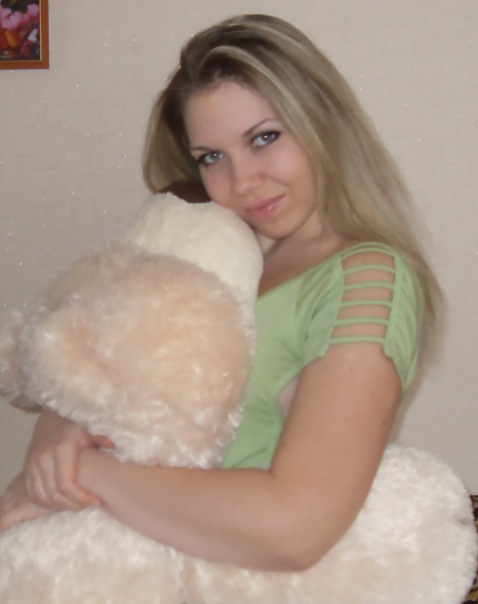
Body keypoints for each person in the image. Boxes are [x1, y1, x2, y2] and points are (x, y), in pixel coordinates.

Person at [0, 13, 441, 572]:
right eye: (212, 156)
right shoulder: (214, 253)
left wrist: (78, 473)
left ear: (322, 121)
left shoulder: (367, 277)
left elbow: (296, 527)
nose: (243, 181)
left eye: (264, 138)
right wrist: (61, 424)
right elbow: (109, 374)